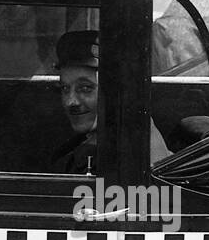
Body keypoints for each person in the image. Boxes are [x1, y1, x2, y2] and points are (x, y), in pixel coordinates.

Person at [52, 29, 168, 174]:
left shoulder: (132, 150)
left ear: (116, 90)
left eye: (85, 88)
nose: (71, 102)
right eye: (65, 88)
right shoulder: (83, 146)